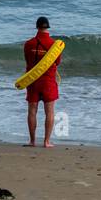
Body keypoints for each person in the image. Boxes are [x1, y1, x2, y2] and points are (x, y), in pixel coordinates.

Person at [23, 16, 62, 148]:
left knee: (32, 111)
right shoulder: (54, 45)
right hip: (48, 81)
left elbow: (28, 61)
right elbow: (57, 62)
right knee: (49, 111)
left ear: (37, 27)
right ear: (48, 27)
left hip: (32, 80)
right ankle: (46, 142)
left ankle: (32, 141)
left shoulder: (28, 44)